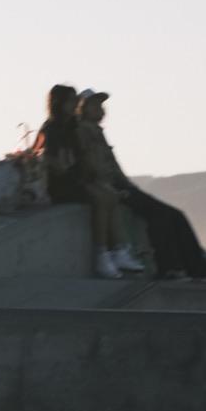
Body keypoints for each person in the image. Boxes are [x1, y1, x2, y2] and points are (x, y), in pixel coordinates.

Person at [74, 90, 206, 283]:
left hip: (123, 187)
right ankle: (170, 269)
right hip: (112, 189)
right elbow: (92, 167)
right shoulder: (84, 132)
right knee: (160, 216)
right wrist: (116, 189)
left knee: (176, 215)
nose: (102, 110)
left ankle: (198, 269)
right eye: (95, 106)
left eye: (101, 106)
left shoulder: (96, 132)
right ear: (83, 109)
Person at [32, 84, 138, 278]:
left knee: (110, 195)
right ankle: (102, 254)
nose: (75, 104)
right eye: (71, 100)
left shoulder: (72, 125)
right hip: (58, 186)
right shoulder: (51, 128)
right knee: (100, 198)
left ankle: (119, 250)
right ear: (60, 103)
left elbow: (80, 158)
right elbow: (46, 159)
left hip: (75, 180)